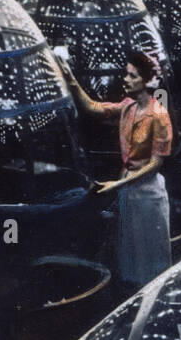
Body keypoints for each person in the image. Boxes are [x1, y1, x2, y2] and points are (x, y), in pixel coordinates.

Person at [72, 51, 174, 295]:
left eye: (133, 76)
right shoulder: (128, 107)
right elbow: (94, 108)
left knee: (153, 257)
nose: (126, 80)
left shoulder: (159, 115)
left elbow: (155, 163)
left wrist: (115, 185)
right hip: (129, 191)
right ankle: (137, 301)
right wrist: (70, 80)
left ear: (147, 81)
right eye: (126, 75)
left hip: (149, 194)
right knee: (133, 255)